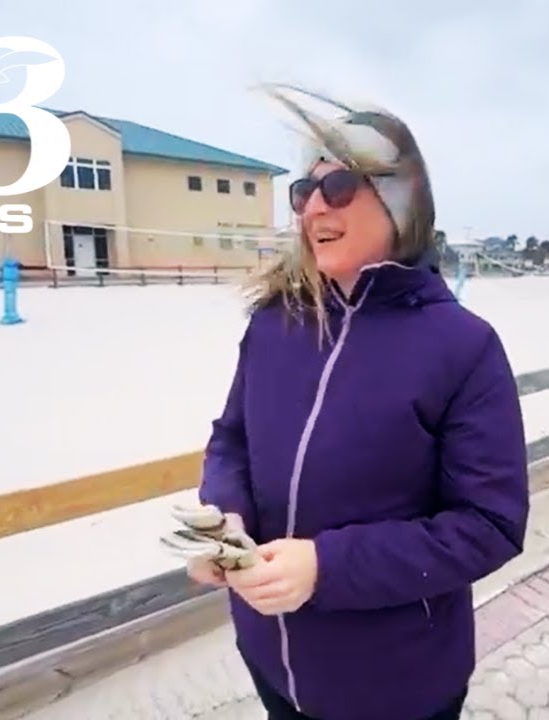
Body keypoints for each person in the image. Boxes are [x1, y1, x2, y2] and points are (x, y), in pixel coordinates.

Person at [188, 85, 530, 720]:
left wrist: (325, 566)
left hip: (396, 686)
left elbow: (490, 525)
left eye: (338, 186)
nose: (313, 205)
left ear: (401, 200)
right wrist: (224, 519)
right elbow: (231, 439)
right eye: (303, 191)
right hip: (272, 662)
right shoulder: (275, 323)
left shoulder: (463, 346)